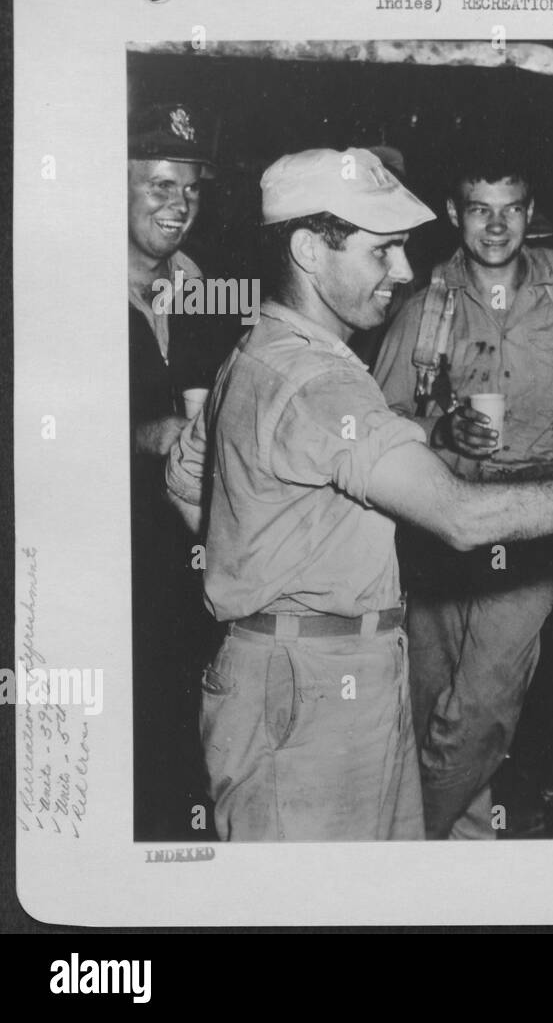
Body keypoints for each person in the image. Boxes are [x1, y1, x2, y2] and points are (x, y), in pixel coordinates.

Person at [164, 147, 553, 843]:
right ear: (309, 251)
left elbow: (186, 478)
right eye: (383, 253)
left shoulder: (258, 351)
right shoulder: (317, 381)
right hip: (307, 690)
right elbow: (463, 517)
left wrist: (266, 552)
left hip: (324, 664)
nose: (404, 271)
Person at [371, 145, 553, 838]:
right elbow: (375, 425)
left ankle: (402, 840)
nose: (497, 226)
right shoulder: (425, 307)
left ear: (530, 214)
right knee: (428, 702)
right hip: (439, 519)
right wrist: (441, 424)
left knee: (483, 705)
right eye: (481, 209)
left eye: (511, 210)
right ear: (455, 214)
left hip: (534, 520)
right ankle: (461, 853)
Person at [127, 100, 236, 841]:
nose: (180, 205)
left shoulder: (199, 285)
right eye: (160, 186)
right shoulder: (60, 283)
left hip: (190, 551)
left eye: (191, 189)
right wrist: (148, 432)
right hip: (110, 560)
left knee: (190, 721)